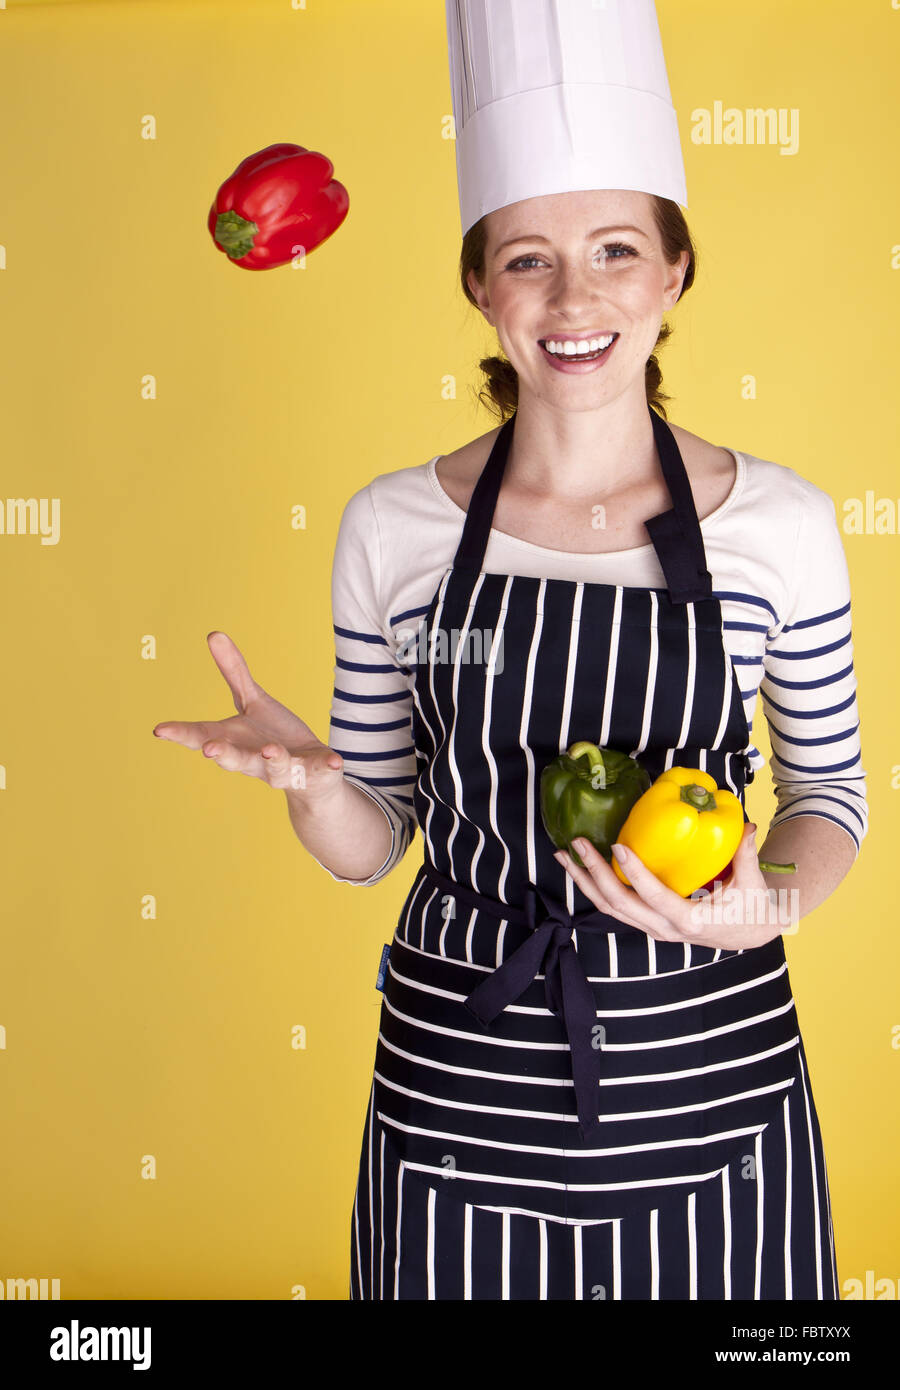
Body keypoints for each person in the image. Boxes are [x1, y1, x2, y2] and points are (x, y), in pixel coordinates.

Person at [153, 1, 868, 1300]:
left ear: (673, 273)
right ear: (481, 285)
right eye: (528, 259)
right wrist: (319, 783)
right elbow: (377, 842)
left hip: (710, 1079)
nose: (575, 295)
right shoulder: (396, 528)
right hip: (458, 1096)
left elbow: (830, 796)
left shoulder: (786, 527)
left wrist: (773, 902)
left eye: (613, 249)